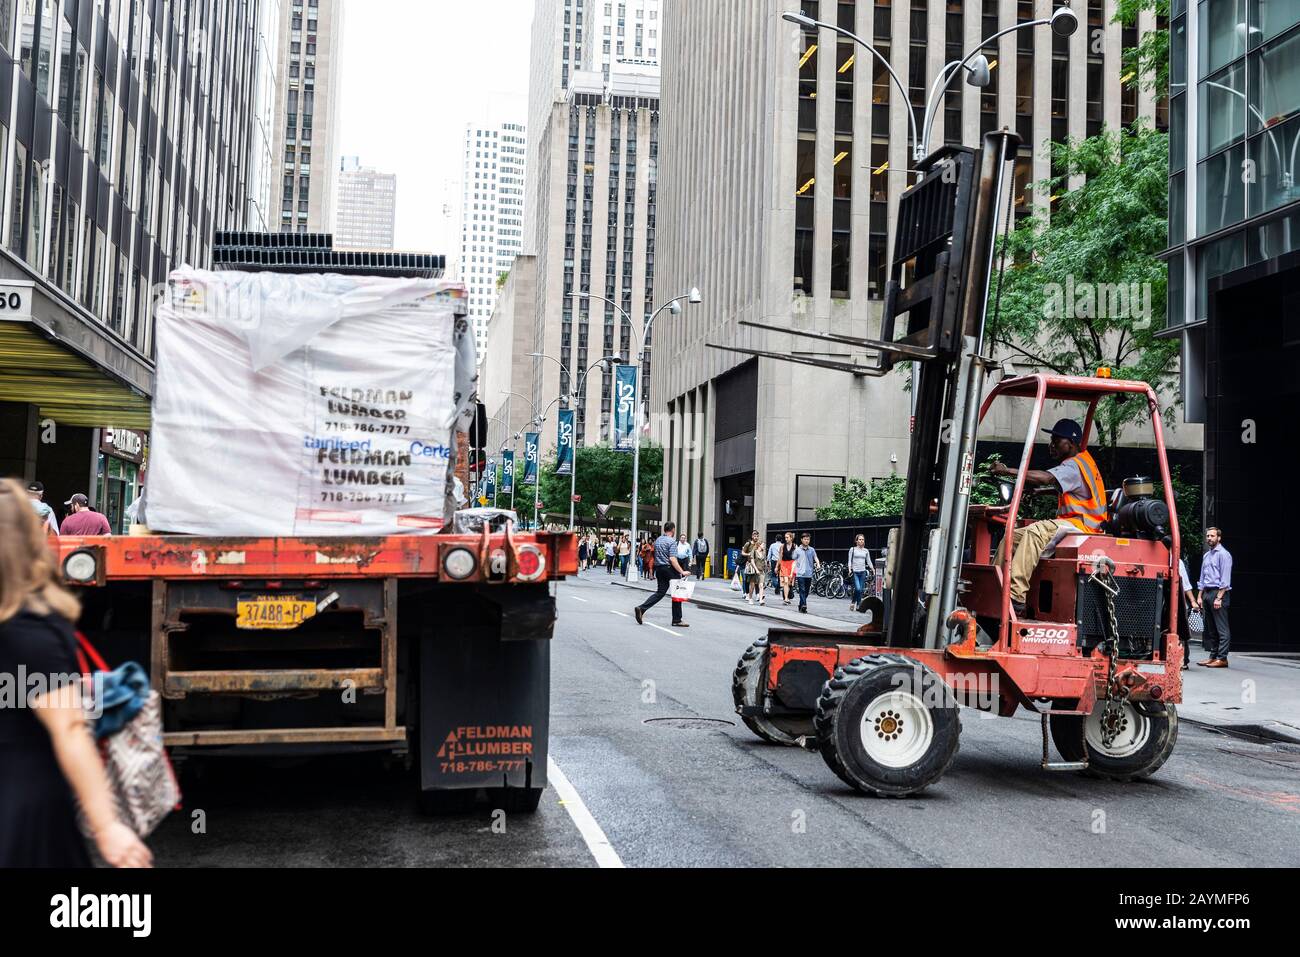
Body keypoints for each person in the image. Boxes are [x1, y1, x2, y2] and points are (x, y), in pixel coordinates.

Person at [0, 478, 153, 868]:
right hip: (26, 811)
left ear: (70, 509)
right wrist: (107, 826)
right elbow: (68, 728)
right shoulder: (31, 628)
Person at [990, 418, 1107, 617]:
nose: (1051, 445)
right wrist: (1039, 493)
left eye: (1056, 440)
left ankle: (1015, 596)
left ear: (1070, 443)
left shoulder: (1074, 465)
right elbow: (1069, 488)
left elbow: (1047, 477)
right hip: (1076, 522)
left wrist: (1007, 470)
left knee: (1036, 531)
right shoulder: (1082, 462)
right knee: (1013, 536)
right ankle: (994, 586)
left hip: (1084, 526)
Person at [634, 521, 689, 628]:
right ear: (673, 529)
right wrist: (682, 571)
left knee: (660, 592)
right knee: (677, 593)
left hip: (658, 569)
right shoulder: (672, 542)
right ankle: (677, 619)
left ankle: (642, 608)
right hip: (669, 569)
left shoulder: (658, 540)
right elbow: (672, 559)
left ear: (664, 529)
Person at [1197, 526, 1233, 669]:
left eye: (1212, 536)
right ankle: (1213, 656)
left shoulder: (1224, 555)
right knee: (1211, 629)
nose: (1209, 538)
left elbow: (1225, 578)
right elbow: (1202, 577)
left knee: (1222, 629)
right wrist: (1199, 596)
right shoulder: (1207, 555)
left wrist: (1219, 598)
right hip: (1207, 593)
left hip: (1218, 593)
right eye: (1208, 536)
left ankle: (1222, 658)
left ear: (1219, 538)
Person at [793, 531, 821, 613]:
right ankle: (804, 605)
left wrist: (818, 564)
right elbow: (794, 560)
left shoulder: (811, 550)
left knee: (807, 591)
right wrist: (793, 571)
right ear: (801, 540)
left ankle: (801, 605)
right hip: (800, 573)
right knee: (802, 590)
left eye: (808, 539)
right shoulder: (797, 550)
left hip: (809, 573)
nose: (806, 541)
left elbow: (815, 557)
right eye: (805, 539)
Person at [1178, 557, 1198, 671]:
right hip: (1177, 602)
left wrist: (1193, 601)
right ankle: (1184, 660)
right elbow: (1185, 584)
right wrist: (1193, 601)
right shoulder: (1177, 560)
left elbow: (1185, 584)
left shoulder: (1177, 561)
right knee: (1182, 630)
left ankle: (1183, 659)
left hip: (1166, 602)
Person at [741, 531, 767, 606]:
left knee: (760, 584)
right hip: (751, 565)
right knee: (751, 583)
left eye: (757, 536)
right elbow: (742, 553)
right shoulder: (748, 544)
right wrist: (748, 554)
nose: (756, 537)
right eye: (755, 536)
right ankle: (749, 596)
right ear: (752, 536)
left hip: (760, 567)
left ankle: (759, 596)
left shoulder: (759, 545)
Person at [848, 534, 872, 608]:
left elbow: (868, 561)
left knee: (860, 590)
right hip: (855, 572)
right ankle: (858, 604)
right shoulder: (852, 549)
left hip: (863, 572)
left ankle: (855, 603)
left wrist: (873, 569)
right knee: (858, 589)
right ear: (856, 541)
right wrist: (849, 569)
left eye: (862, 539)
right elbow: (849, 560)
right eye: (860, 539)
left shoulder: (866, 550)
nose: (861, 541)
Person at [779, 531, 797, 605]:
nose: (786, 539)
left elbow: (796, 558)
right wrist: (777, 567)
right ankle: (786, 598)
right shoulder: (782, 546)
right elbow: (780, 557)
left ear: (791, 538)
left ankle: (788, 597)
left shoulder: (795, 546)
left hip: (792, 564)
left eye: (787, 537)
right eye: (785, 537)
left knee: (789, 583)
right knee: (786, 581)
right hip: (784, 564)